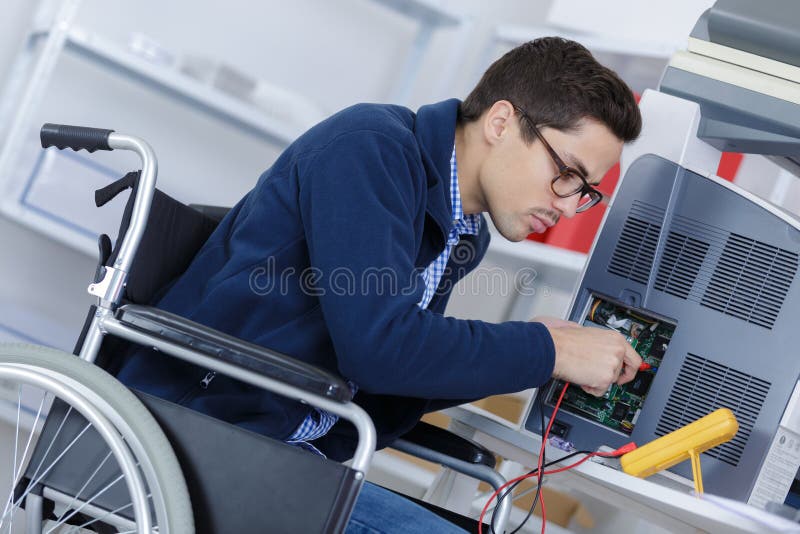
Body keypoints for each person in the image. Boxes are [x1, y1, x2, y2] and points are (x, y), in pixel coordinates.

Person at [117, 36, 643, 532]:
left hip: (295, 458)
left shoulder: (462, 229)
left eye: (586, 192)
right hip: (207, 439)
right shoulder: (372, 150)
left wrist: (539, 351)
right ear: (502, 122)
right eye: (567, 174)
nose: (569, 204)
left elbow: (396, 370)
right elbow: (381, 348)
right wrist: (544, 350)